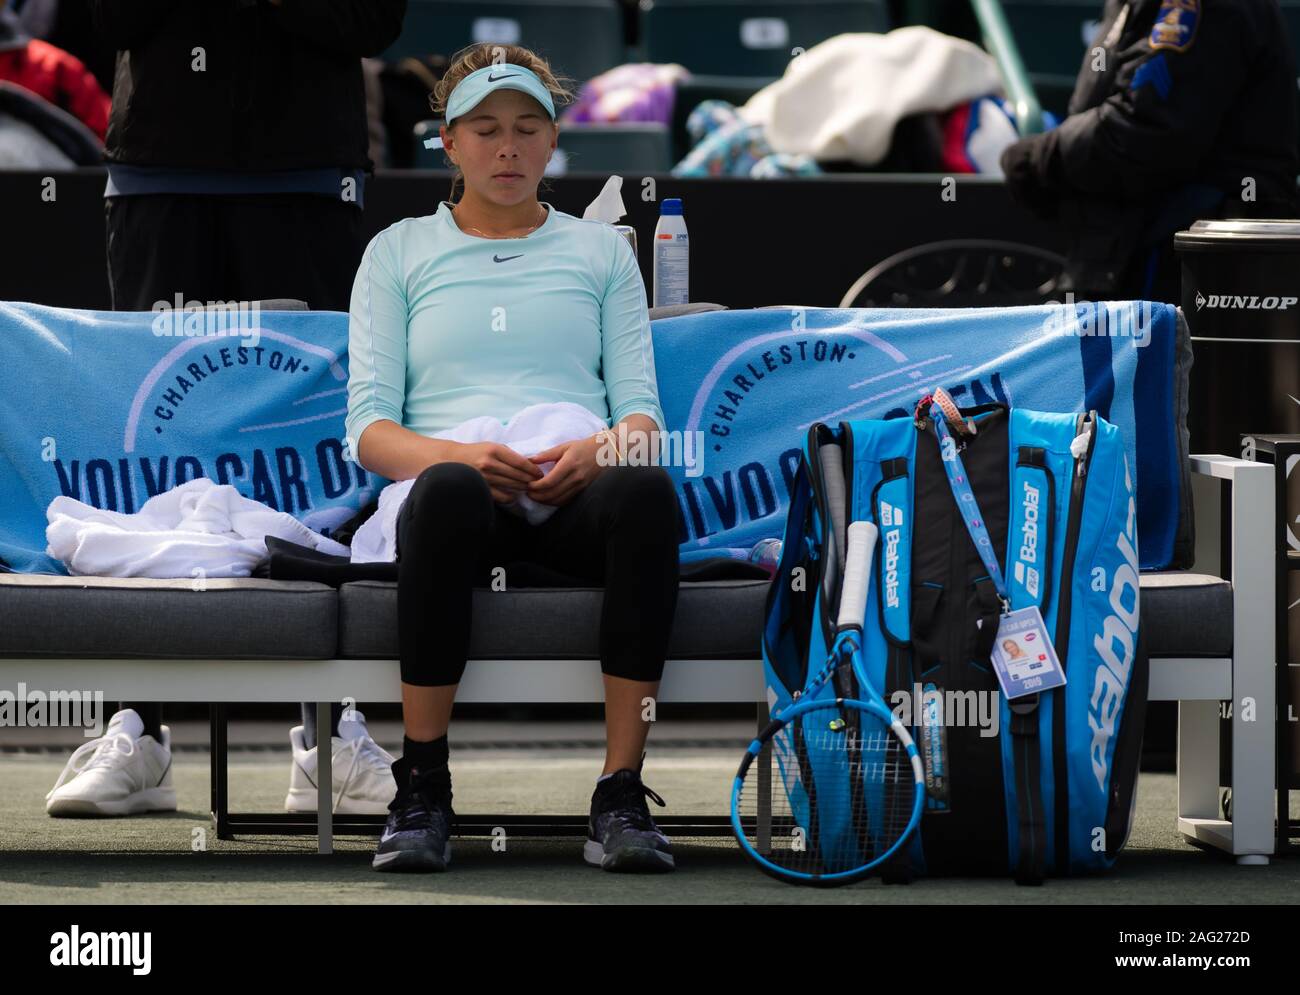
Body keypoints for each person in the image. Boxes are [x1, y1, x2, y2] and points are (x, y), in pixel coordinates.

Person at [45, 0, 408, 821]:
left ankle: (330, 733)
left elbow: (374, 19)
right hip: (160, 171)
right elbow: (110, 17)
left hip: (310, 177)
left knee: (315, 444)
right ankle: (139, 724)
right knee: (152, 443)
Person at [346, 43, 681, 874]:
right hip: (455, 505)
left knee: (642, 490)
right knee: (452, 486)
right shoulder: (396, 252)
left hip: (573, 499)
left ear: (552, 141)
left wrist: (598, 448)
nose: (508, 148)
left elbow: (643, 418)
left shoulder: (603, 252)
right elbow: (371, 431)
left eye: (527, 129)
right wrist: (461, 454)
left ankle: (620, 791)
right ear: (449, 143)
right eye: (486, 130)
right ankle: (422, 786)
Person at [1000, 0, 1300, 303]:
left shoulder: (1203, 8)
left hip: (1190, 273)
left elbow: (1144, 133)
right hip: (1129, 260)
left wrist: (1038, 158)